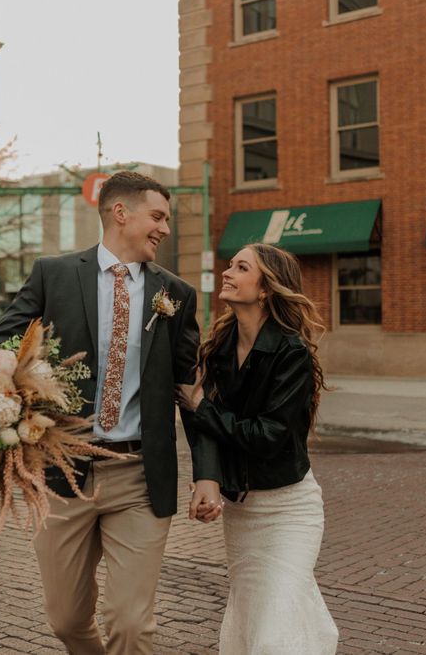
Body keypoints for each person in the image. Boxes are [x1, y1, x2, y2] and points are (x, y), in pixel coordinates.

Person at [0, 171, 221, 655]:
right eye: (158, 217)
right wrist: (12, 402)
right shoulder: (54, 274)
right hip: (64, 474)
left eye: (168, 220)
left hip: (139, 475)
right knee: (67, 619)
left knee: (131, 625)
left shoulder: (175, 294)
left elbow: (191, 393)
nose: (165, 229)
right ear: (120, 213)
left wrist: (207, 473)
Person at [177, 243, 339, 654]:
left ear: (266, 288)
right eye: (230, 265)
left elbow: (268, 436)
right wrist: (206, 478)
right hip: (244, 513)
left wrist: (203, 408)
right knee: (256, 622)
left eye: (241, 267)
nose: (228, 272)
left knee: (272, 633)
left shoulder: (291, 353)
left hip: (290, 510)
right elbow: (204, 424)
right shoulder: (219, 346)